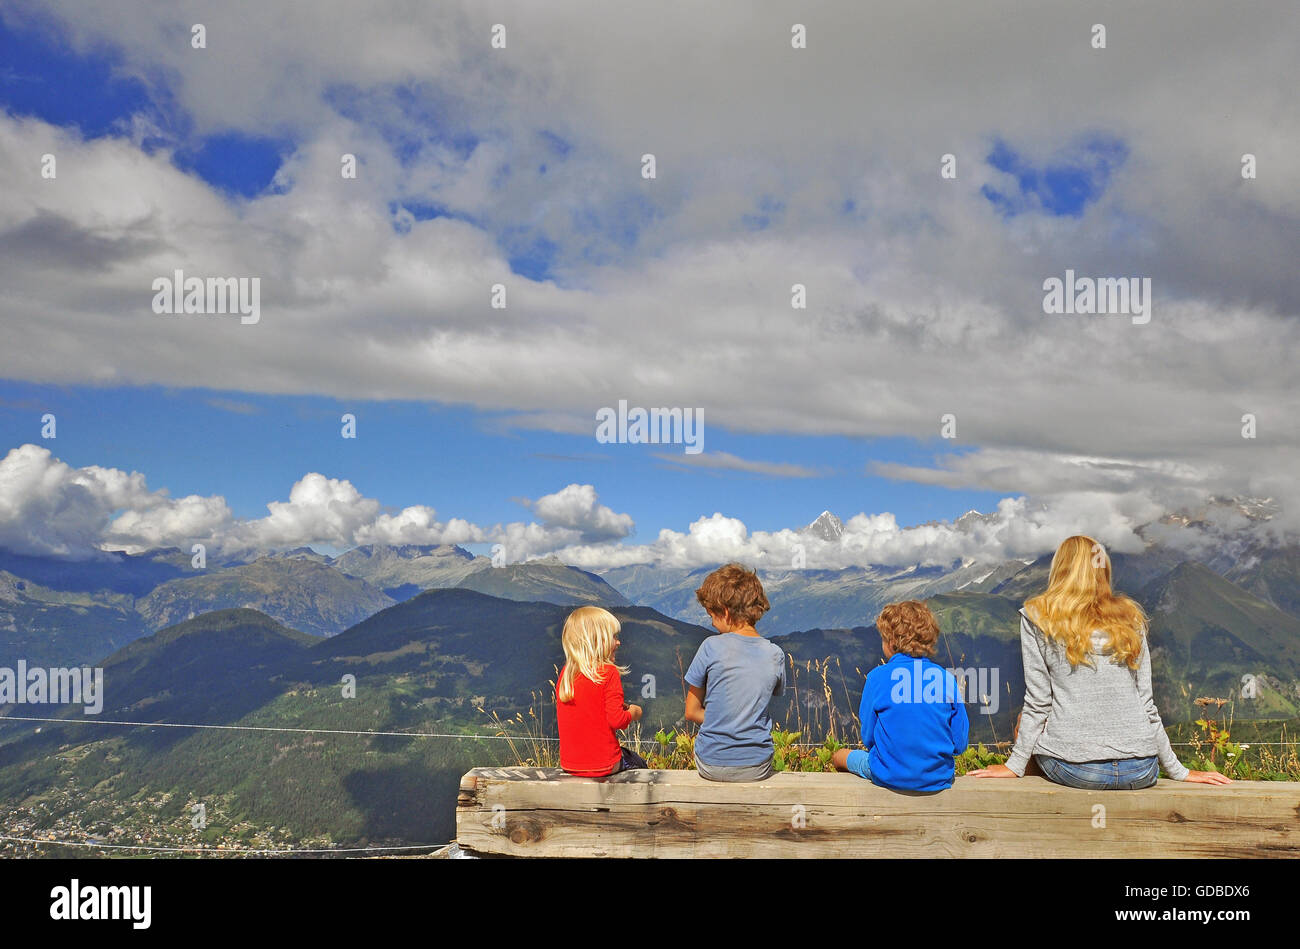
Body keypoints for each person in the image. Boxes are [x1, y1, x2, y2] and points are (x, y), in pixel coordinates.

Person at [970, 535, 1230, 789]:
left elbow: (1038, 703)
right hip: (1141, 769)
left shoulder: (1036, 617)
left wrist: (1014, 765)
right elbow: (1146, 704)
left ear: (1060, 569)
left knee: (1023, 722)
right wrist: (1178, 771)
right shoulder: (1130, 618)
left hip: (1079, 771)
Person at [833, 600, 969, 791]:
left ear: (891, 643)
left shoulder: (876, 678)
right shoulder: (946, 679)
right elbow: (959, 744)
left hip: (887, 774)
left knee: (839, 756)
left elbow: (869, 739)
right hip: (939, 777)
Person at [684, 564, 786, 782]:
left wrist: (719, 720)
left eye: (711, 615)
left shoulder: (710, 647)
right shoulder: (775, 654)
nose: (711, 622)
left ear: (726, 612)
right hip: (757, 766)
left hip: (710, 764)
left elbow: (691, 712)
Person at [555, 606, 648, 777]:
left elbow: (588, 709)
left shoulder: (566, 674)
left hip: (570, 765)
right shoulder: (608, 672)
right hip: (604, 765)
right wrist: (634, 712)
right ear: (598, 641)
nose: (618, 642)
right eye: (614, 637)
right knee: (638, 763)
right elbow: (617, 720)